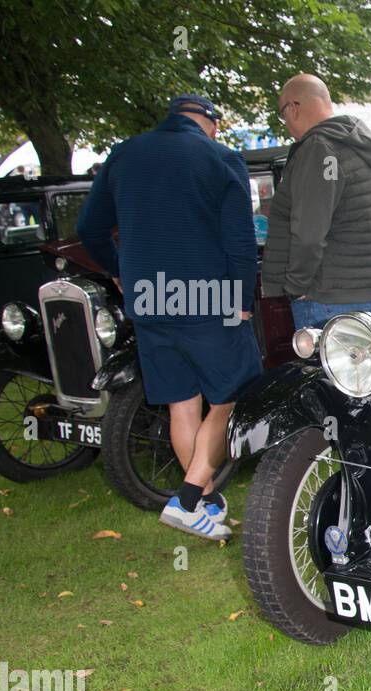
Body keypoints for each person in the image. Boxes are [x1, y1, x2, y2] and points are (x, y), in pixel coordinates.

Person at [77, 94, 260, 541]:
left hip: (148, 298)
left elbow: (89, 229)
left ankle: (206, 503)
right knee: (236, 396)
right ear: (208, 122)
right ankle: (187, 501)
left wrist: (118, 269)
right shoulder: (220, 158)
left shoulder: (124, 153)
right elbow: (240, 241)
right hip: (208, 297)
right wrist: (241, 296)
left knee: (182, 400)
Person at [261, 74, 371, 329]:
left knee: (321, 370)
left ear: (293, 108)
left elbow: (309, 233)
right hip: (369, 292)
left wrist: (295, 285)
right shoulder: (359, 144)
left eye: (283, 115)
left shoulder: (320, 150)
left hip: (328, 299)